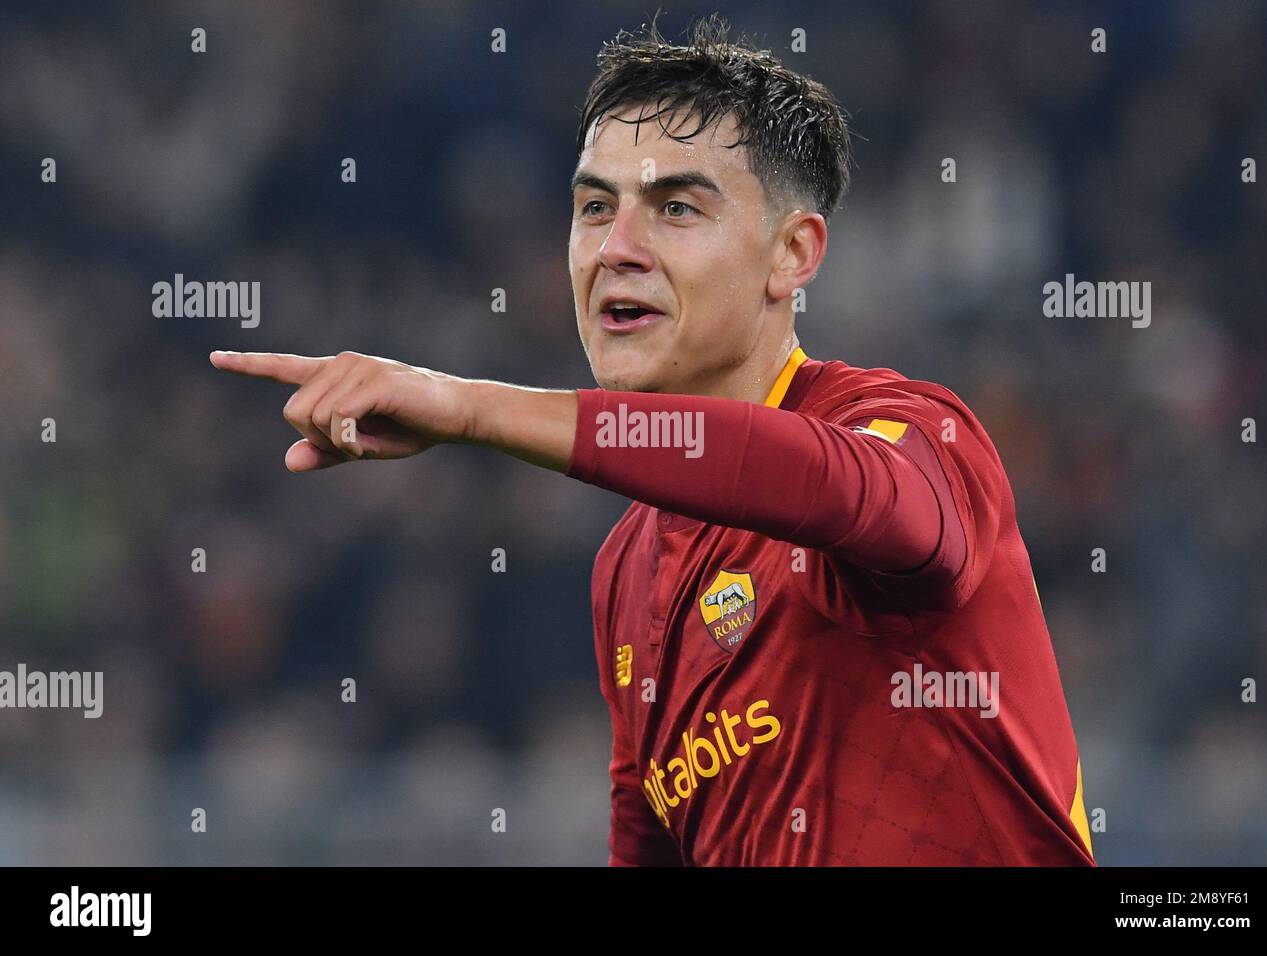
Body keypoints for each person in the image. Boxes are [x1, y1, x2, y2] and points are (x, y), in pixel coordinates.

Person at [211, 15, 1095, 866]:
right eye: (595, 208)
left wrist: (471, 409)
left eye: (676, 209)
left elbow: (817, 482)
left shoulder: (916, 436)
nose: (616, 249)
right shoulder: (626, 572)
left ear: (792, 254)